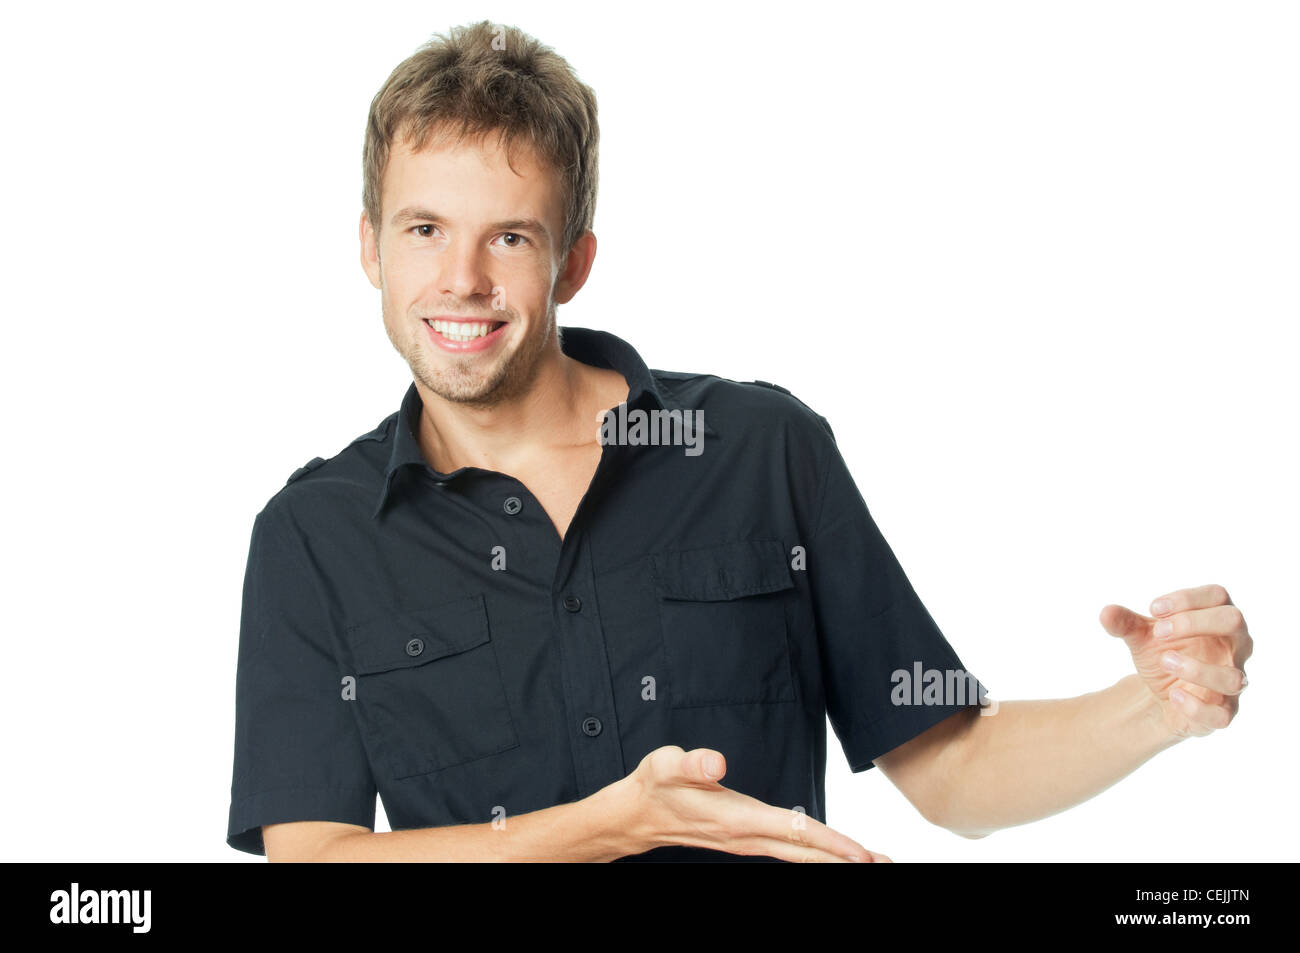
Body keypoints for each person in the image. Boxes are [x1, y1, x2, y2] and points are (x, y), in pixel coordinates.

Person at [226, 20, 1252, 862]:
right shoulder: (313, 537)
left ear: (572, 261)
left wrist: (1154, 707)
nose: (462, 280)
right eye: (423, 230)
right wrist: (607, 826)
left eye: (509, 236)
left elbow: (948, 764)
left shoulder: (760, 451)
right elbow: (315, 857)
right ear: (368, 246)